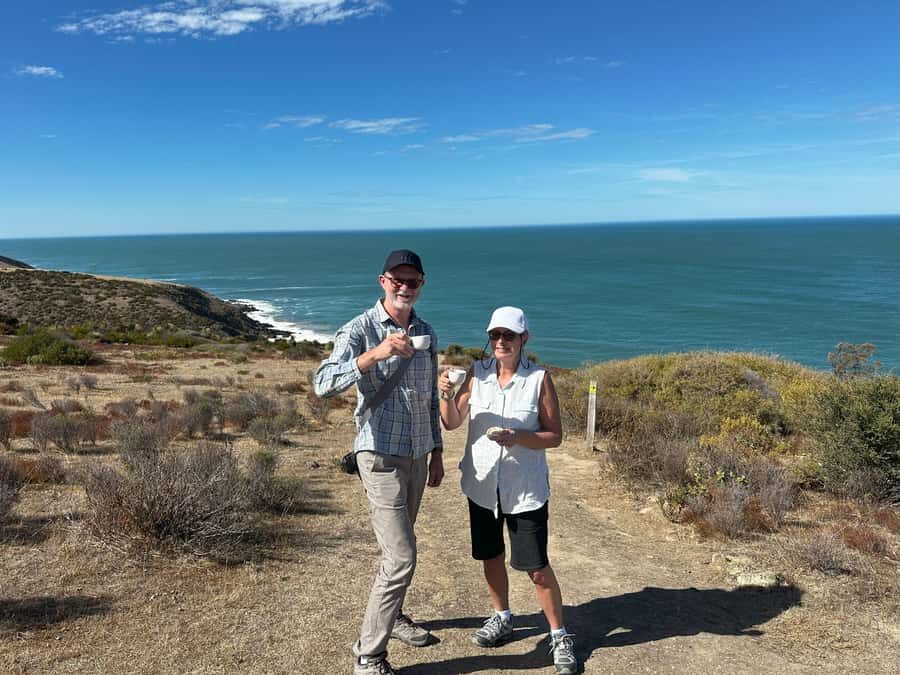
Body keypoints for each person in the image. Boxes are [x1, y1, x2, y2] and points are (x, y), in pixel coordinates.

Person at [315, 249, 444, 675]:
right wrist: (376, 354)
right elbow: (323, 384)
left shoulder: (426, 331)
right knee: (402, 555)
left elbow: (428, 400)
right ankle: (368, 655)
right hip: (380, 454)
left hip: (417, 454)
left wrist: (438, 452)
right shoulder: (360, 329)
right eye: (398, 280)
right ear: (382, 281)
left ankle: (396, 616)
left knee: (400, 545)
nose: (405, 287)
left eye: (414, 281)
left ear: (422, 285)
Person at [438, 306, 577, 675]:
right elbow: (452, 423)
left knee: (537, 568)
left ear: (523, 339)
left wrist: (520, 438)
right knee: (490, 556)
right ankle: (502, 617)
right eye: (496, 335)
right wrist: (446, 394)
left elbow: (555, 436)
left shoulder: (539, 379)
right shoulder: (477, 374)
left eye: (509, 336)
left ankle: (559, 635)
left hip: (525, 490)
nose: (501, 342)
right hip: (481, 485)